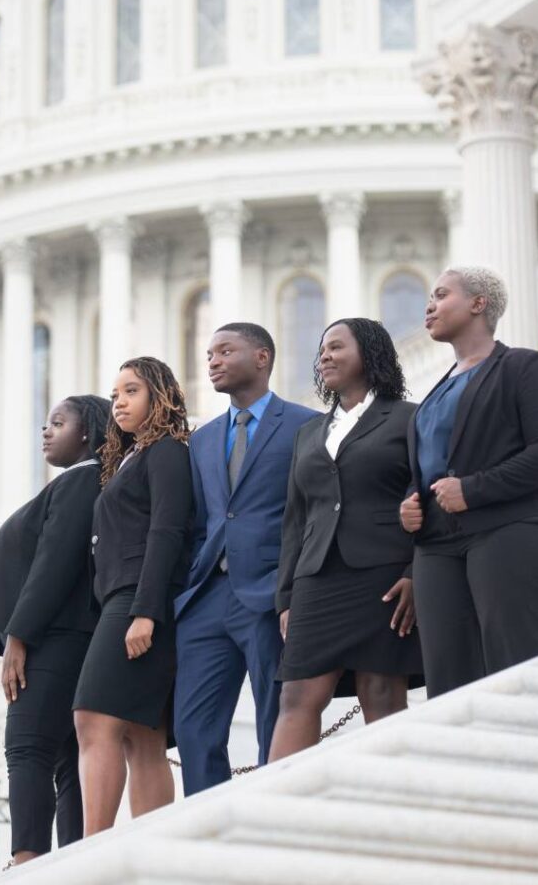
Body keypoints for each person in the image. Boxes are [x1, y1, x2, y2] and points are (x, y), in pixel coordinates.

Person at [400, 266, 538, 697]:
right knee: (446, 685)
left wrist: (472, 490)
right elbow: (432, 462)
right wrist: (411, 501)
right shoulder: (436, 389)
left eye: (442, 295)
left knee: (515, 673)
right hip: (436, 545)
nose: (429, 305)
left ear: (478, 304)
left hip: (510, 530)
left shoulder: (522, 366)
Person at [173, 323, 319, 794]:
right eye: (209, 354)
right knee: (193, 728)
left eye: (225, 351)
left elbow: (314, 511)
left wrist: (293, 588)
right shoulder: (201, 439)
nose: (212, 361)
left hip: (271, 593)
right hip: (206, 598)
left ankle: (272, 814)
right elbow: (200, 519)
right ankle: (208, 822)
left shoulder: (306, 424)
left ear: (261, 357)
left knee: (274, 716)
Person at [270, 318, 423, 761]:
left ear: (369, 353)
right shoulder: (308, 433)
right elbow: (295, 519)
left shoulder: (409, 418)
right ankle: (275, 800)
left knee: (381, 692)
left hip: (385, 578)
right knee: (297, 695)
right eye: (322, 349)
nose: (325, 356)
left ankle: (394, 796)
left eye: (336, 347)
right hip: (317, 577)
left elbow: (425, 496)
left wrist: (416, 572)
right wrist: (285, 598)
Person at [0, 394, 110, 863]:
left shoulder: (81, 480)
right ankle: (73, 858)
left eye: (59, 422)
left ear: (87, 432)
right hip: (72, 637)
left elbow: (53, 564)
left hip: (54, 638)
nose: (46, 431)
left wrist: (19, 636)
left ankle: (27, 860)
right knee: (68, 755)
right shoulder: (88, 481)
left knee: (27, 747)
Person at [73, 357, 193, 835]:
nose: (119, 402)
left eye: (131, 391)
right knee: (143, 736)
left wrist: (145, 611)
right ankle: (151, 844)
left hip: (137, 599)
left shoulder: (165, 451)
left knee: (93, 719)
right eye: (115, 395)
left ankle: (93, 843)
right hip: (122, 599)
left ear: (158, 395)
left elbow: (167, 531)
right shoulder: (131, 457)